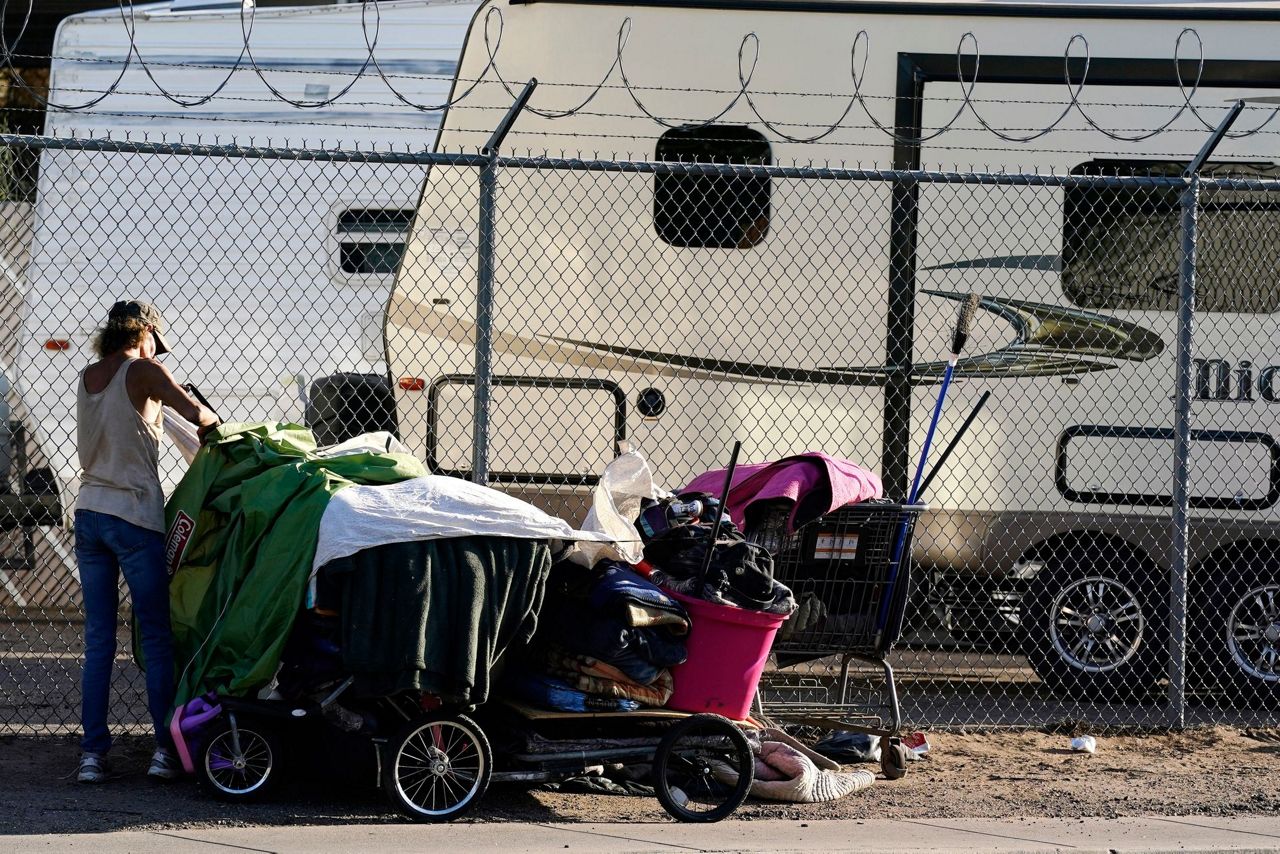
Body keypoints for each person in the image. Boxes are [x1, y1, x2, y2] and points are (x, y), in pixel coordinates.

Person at [75, 300, 218, 784]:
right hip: (134, 516)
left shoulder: (90, 374)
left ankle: (92, 756)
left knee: (98, 642)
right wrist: (216, 423)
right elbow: (196, 412)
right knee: (157, 638)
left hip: (90, 513)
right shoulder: (145, 369)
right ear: (147, 332)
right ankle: (164, 750)